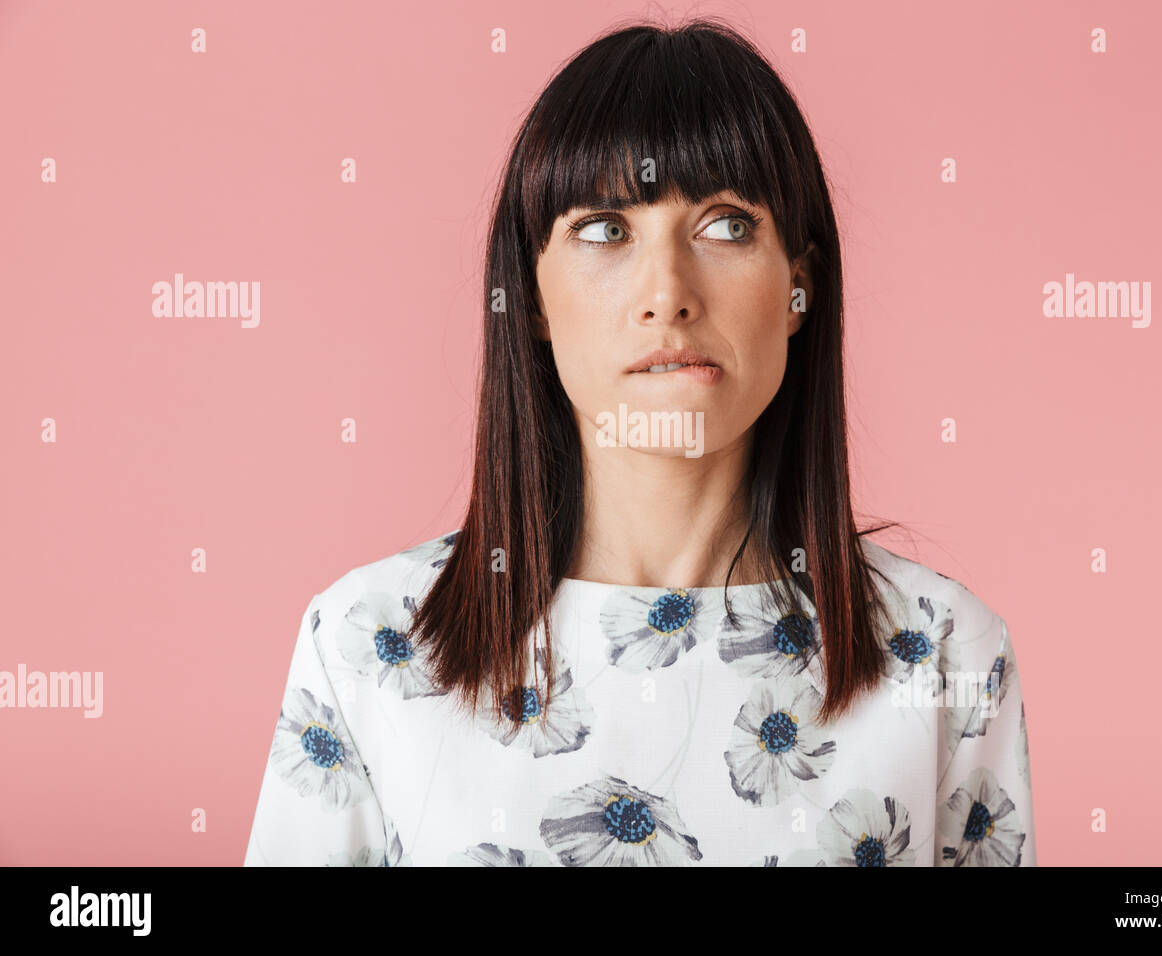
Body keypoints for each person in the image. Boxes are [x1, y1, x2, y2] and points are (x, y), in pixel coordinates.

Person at [244, 16, 1036, 867]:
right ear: (534, 299)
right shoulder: (366, 647)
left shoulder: (945, 652)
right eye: (605, 229)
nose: (667, 295)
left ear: (800, 287)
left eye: (727, 225)